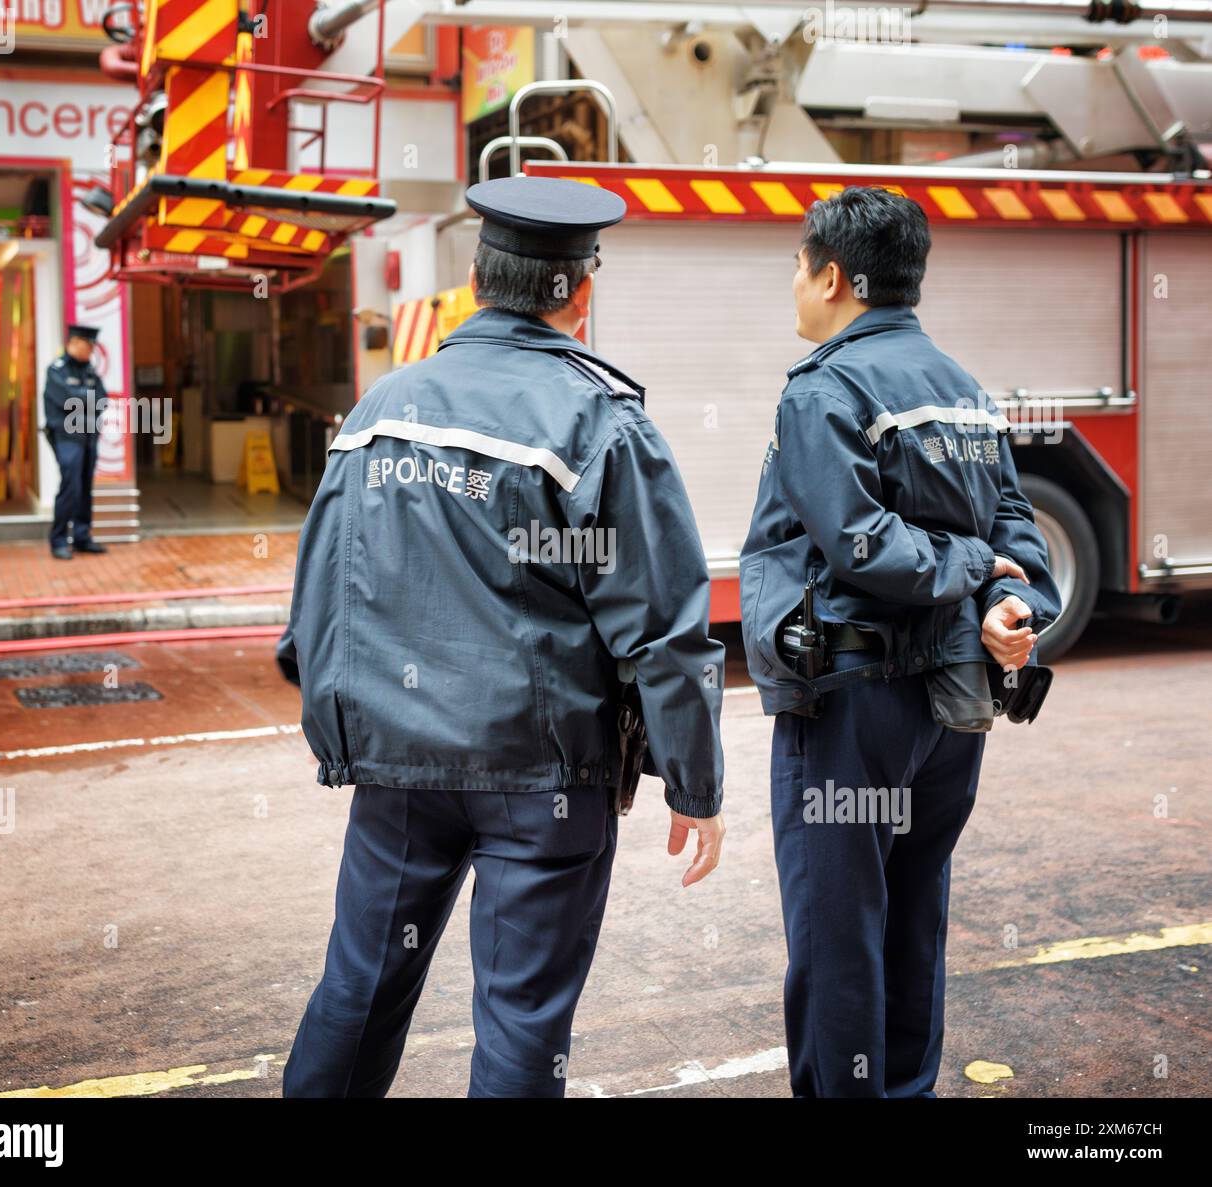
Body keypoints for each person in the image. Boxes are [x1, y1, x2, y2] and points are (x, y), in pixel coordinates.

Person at [277, 175, 727, 1098]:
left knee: (358, 988)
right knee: (522, 1021)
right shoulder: (600, 421)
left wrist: (346, 734)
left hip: (399, 768)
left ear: (477, 281)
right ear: (578, 290)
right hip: (543, 777)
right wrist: (694, 781)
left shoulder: (378, 411)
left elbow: (318, 594)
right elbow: (663, 628)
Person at [740, 186, 1060, 1098]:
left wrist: (974, 567)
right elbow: (1013, 527)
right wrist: (1013, 598)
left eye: (799, 267)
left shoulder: (822, 389)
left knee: (841, 929)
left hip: (853, 707)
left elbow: (863, 544)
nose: (794, 285)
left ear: (835, 277)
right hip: (949, 711)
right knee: (915, 912)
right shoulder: (963, 390)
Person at [43, 324, 108, 560]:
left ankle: (82, 537)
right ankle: (59, 540)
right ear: (73, 343)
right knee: (71, 486)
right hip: (66, 438)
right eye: (87, 345)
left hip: (89, 437)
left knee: (85, 487)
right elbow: (68, 400)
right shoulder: (56, 370)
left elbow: (103, 399)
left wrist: (83, 399)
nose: (90, 350)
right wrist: (85, 399)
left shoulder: (90, 372)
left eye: (92, 346)